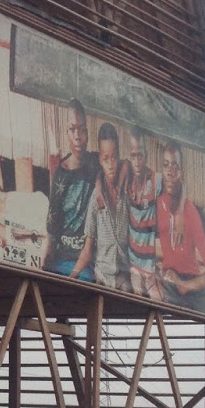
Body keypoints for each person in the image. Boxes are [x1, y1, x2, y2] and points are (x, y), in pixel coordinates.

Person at [70, 122, 130, 289]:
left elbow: (129, 164)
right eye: (105, 159)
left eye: (114, 158)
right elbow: (87, 249)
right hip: (102, 279)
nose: (110, 164)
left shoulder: (128, 190)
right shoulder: (95, 199)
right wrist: (71, 277)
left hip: (126, 280)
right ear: (99, 160)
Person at [43, 100, 98, 279]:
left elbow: (125, 166)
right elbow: (52, 225)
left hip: (90, 264)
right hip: (63, 261)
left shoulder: (97, 163)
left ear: (87, 134)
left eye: (81, 129)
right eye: (72, 129)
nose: (77, 136)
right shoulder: (61, 174)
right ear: (66, 133)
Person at [156, 141, 205, 312]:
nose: (171, 172)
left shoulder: (191, 214)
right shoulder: (159, 203)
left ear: (181, 172)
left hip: (189, 285)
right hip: (167, 281)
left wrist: (185, 284)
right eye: (166, 166)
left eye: (176, 167)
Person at [125, 128, 164, 301]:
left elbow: (179, 186)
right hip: (132, 265)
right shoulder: (126, 180)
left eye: (140, 156)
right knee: (136, 298)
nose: (137, 161)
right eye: (133, 156)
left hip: (150, 267)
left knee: (158, 301)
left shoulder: (156, 180)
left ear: (146, 156)